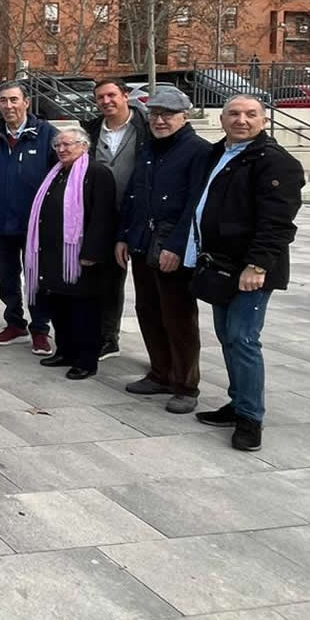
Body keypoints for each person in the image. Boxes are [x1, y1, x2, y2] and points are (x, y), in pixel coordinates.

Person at [186, 95, 304, 452]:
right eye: (234, 114)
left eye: (251, 114)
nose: (242, 120)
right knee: (227, 335)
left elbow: (278, 223)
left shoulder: (274, 163)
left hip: (251, 269)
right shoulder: (217, 154)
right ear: (221, 119)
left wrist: (258, 266)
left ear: (264, 121)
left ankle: (251, 419)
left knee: (243, 338)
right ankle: (237, 403)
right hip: (221, 265)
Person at [116, 87, 209, 413]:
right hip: (143, 242)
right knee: (149, 311)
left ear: (185, 116)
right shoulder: (149, 147)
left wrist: (177, 247)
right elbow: (134, 194)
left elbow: (195, 205)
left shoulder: (198, 150)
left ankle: (185, 385)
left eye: (167, 114)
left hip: (172, 247)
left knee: (179, 317)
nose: (160, 120)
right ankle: (160, 373)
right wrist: (124, 235)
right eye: (154, 114)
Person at [25, 130, 118, 380]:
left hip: (82, 257)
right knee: (59, 305)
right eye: (58, 145)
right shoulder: (56, 173)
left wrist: (91, 253)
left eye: (68, 144)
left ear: (84, 146)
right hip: (54, 254)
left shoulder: (97, 173)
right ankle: (65, 350)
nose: (62, 149)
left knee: (84, 310)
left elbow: (103, 217)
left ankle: (86, 360)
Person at [0, 82, 58, 354]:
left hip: (36, 225)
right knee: (7, 275)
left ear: (26, 102)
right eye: (3, 101)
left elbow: (60, 177)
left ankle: (40, 329)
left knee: (36, 278)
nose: (8, 106)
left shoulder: (46, 135)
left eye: (13, 100)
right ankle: (14, 322)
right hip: (1, 223)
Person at [83, 78, 148, 359]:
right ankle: (107, 336)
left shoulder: (145, 127)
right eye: (100, 98)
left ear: (125, 96)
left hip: (139, 214)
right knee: (106, 279)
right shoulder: (93, 129)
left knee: (147, 287)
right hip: (102, 216)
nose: (106, 101)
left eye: (111, 95)